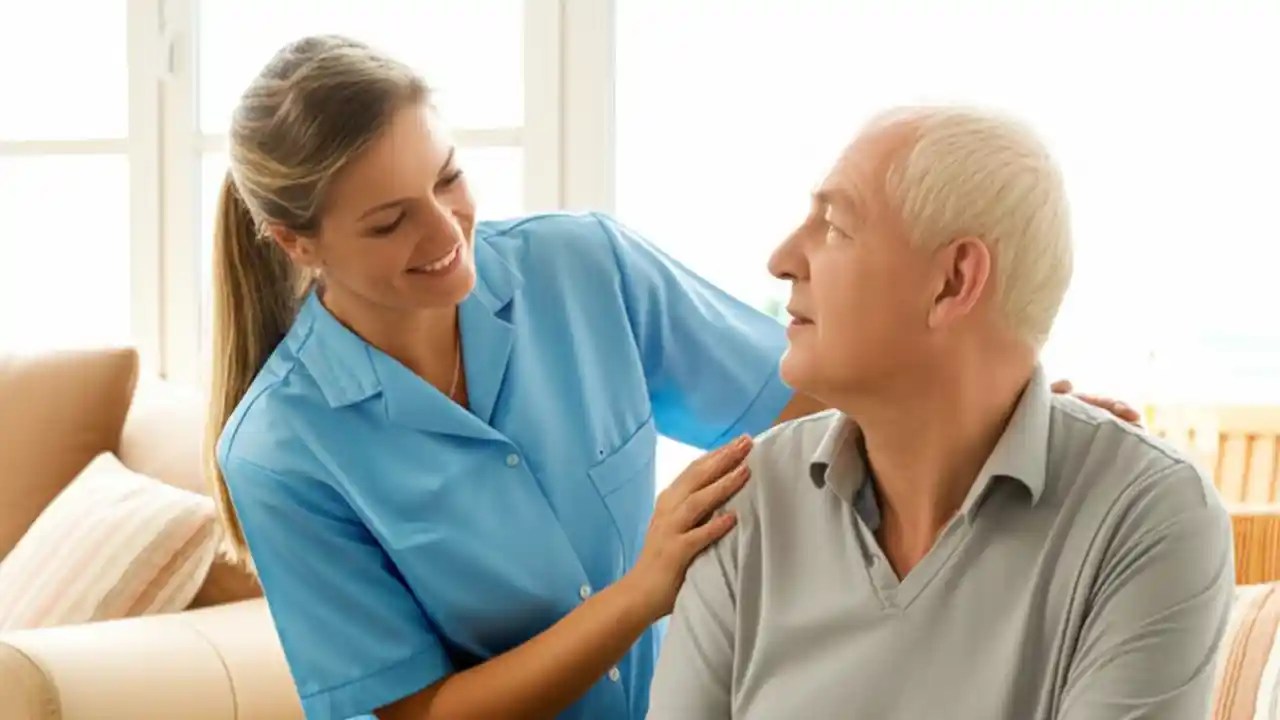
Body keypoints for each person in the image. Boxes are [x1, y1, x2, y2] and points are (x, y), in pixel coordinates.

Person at [207, 37, 1139, 720]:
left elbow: (810, 397)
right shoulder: (281, 450)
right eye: (389, 222)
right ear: (298, 243)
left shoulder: (581, 268)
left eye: (449, 178)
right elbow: (419, 714)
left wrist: (1003, 410)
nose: (448, 232)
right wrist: (641, 592)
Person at [646, 106, 1235, 719]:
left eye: (836, 228)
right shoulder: (747, 502)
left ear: (954, 281)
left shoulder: (1146, 514)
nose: (782, 259)